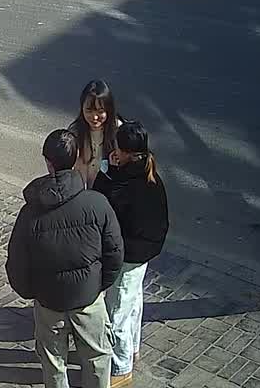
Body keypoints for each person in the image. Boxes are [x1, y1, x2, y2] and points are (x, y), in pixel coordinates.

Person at [7, 129, 123, 388]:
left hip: (49, 302)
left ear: (48, 161)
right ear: (76, 158)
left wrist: (33, 293)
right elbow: (115, 253)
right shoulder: (97, 203)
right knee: (97, 358)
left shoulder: (29, 213)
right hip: (88, 299)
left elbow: (16, 264)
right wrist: (96, 285)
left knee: (53, 362)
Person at [94, 122, 169, 385]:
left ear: (126, 152)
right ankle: (133, 350)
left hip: (128, 254)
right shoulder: (148, 175)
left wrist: (107, 171)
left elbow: (101, 201)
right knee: (133, 303)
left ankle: (120, 369)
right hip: (144, 252)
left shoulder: (127, 182)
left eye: (117, 148)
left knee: (116, 314)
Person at [71, 80, 122, 187]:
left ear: (109, 109)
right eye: (89, 111)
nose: (94, 117)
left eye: (100, 111)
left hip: (107, 189)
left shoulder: (117, 130)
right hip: (82, 189)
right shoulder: (75, 132)